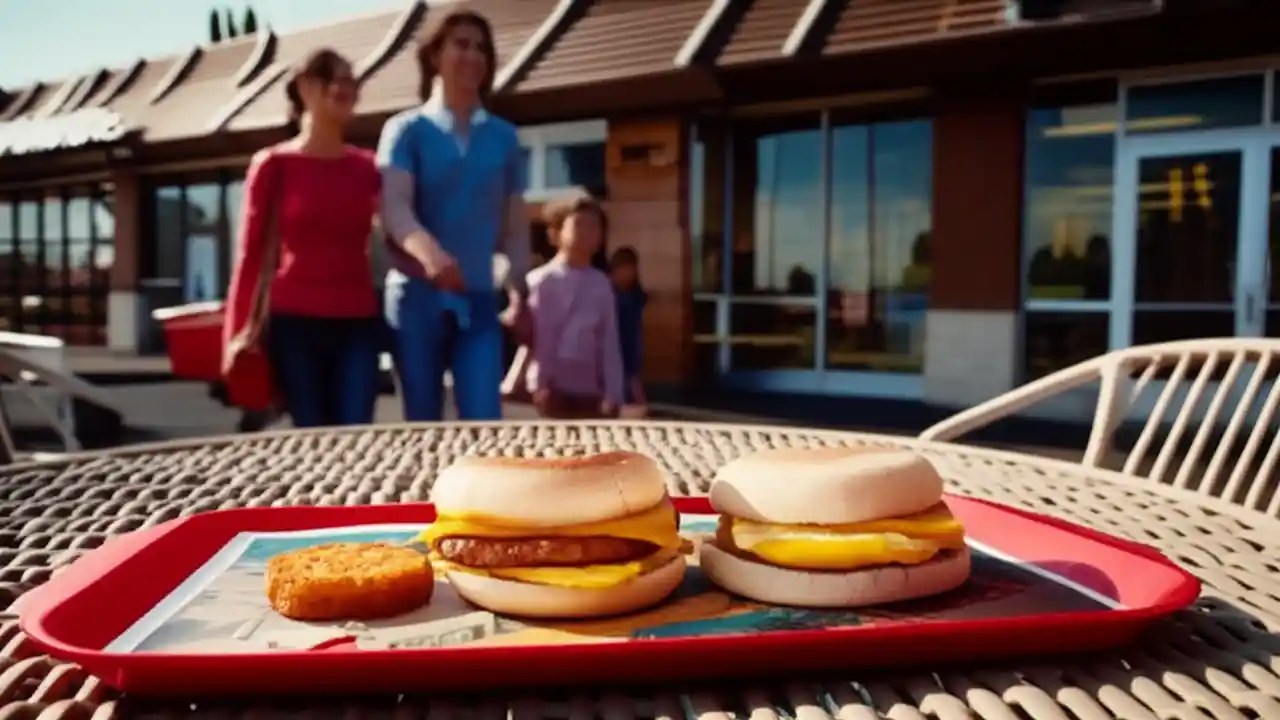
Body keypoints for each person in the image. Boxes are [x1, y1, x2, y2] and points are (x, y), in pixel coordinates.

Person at [376, 9, 530, 422]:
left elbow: (514, 226)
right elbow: (395, 207)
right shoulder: (405, 131)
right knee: (422, 423)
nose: (473, 55)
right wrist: (431, 256)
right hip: (415, 298)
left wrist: (519, 290)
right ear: (434, 56)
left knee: (484, 422)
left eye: (482, 48)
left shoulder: (505, 138)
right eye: (461, 44)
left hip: (479, 298)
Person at [223, 49, 382, 428]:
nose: (347, 90)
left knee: (357, 432)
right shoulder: (273, 165)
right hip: (294, 322)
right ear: (305, 88)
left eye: (352, 82)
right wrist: (235, 335)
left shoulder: (369, 167)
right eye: (336, 80)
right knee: (312, 436)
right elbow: (250, 257)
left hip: (357, 320)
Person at [526, 195, 625, 419]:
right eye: (579, 224)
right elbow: (540, 338)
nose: (588, 232)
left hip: (589, 390)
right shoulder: (541, 281)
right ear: (556, 233)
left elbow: (609, 340)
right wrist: (540, 383)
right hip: (550, 389)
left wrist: (614, 392)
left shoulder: (602, 284)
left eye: (594, 226)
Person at [609, 246, 648, 407]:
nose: (629, 273)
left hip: (630, 351)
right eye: (625, 268)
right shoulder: (609, 295)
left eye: (632, 268)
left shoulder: (634, 296)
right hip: (615, 352)